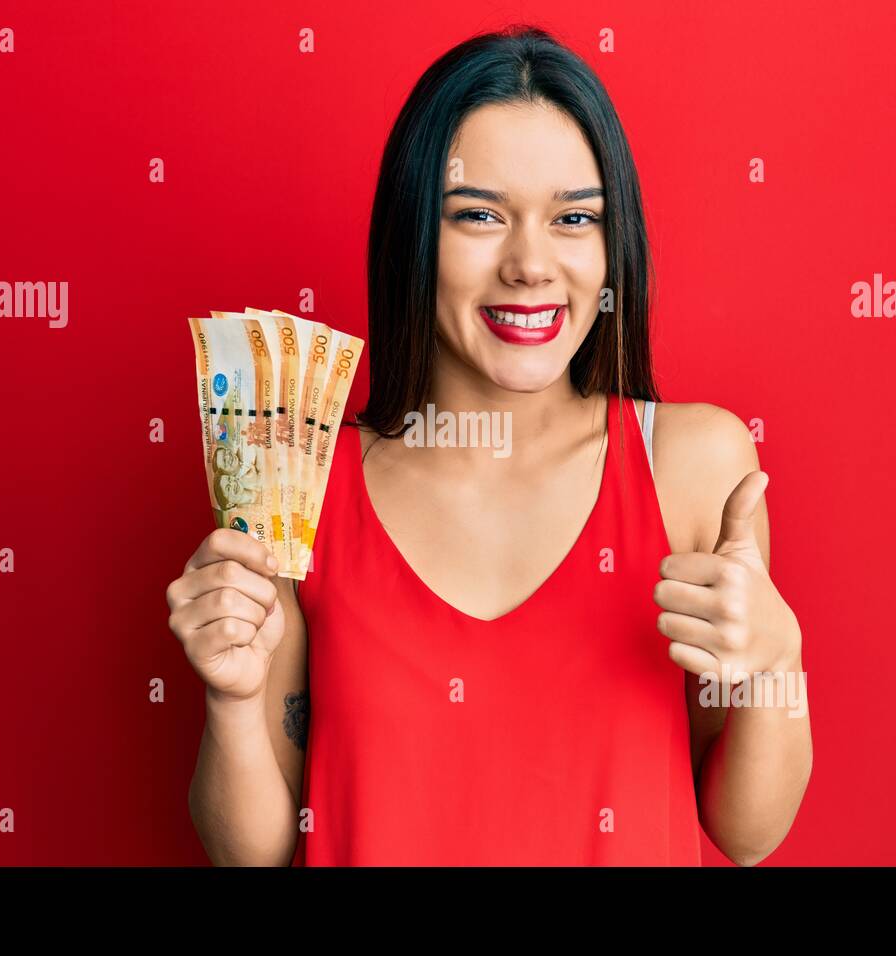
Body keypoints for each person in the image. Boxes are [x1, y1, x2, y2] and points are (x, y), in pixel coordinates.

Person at [166, 25, 811, 866]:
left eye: (574, 218)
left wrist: (777, 658)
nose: (531, 264)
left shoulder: (695, 466)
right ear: (412, 239)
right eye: (479, 216)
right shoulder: (308, 482)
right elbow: (251, 854)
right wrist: (232, 699)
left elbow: (748, 833)